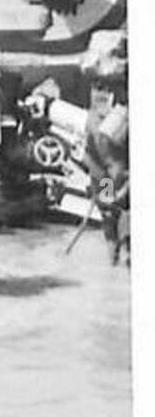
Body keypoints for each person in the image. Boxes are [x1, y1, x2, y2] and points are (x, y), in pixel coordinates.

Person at [82, 37, 129, 266]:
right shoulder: (102, 116)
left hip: (108, 161)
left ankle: (118, 251)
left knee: (113, 210)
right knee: (111, 210)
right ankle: (116, 250)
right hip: (105, 161)